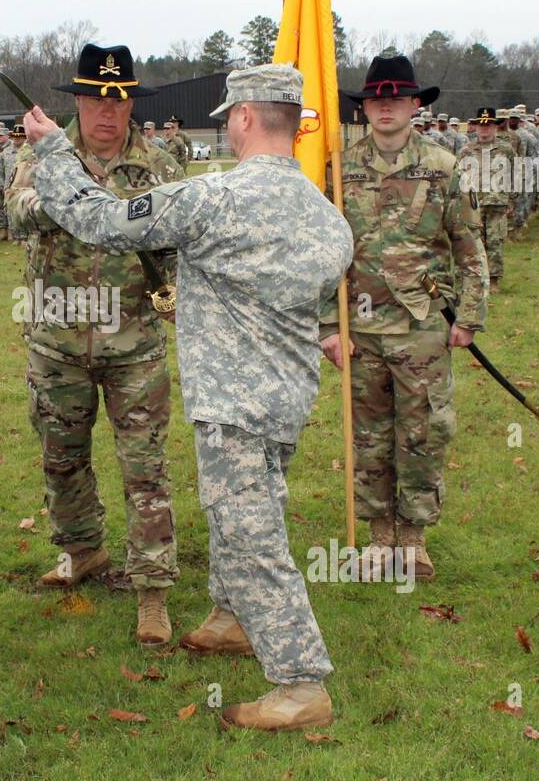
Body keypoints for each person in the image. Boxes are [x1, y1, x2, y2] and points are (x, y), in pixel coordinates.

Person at [29, 62, 352, 730]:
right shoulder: (329, 220)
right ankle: (232, 616)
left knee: (249, 529)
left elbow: (102, 220)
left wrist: (53, 151)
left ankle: (299, 681)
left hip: (232, 401)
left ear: (240, 118)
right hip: (287, 398)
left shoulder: (212, 200)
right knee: (255, 510)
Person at [6, 43, 181, 645]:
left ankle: (152, 590)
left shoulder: (157, 167)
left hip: (133, 343)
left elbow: (173, 240)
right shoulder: (45, 157)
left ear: (131, 104)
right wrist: (77, 199)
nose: (108, 111)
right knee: (62, 459)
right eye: (95, 98)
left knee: (145, 471)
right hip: (57, 339)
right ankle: (81, 551)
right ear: (77, 101)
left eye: (119, 99)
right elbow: (18, 212)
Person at [322, 54, 488, 582]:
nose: (386, 106)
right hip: (360, 328)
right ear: (365, 107)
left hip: (422, 327)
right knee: (369, 437)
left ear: (416, 105)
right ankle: (378, 537)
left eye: (396, 98)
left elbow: (469, 245)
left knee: (422, 434)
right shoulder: (338, 168)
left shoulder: (442, 166)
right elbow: (321, 254)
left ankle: (413, 538)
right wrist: (326, 325)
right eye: (377, 98)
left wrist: (471, 317)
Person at [458, 108, 516, 291]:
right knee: (473, 243)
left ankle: (494, 279)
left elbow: (516, 174)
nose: (484, 129)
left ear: (495, 127)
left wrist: (512, 199)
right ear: (475, 127)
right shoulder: (466, 151)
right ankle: (476, 278)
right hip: (473, 204)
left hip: (497, 203)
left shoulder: (505, 149)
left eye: (488, 125)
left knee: (495, 241)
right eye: (481, 125)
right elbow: (457, 176)